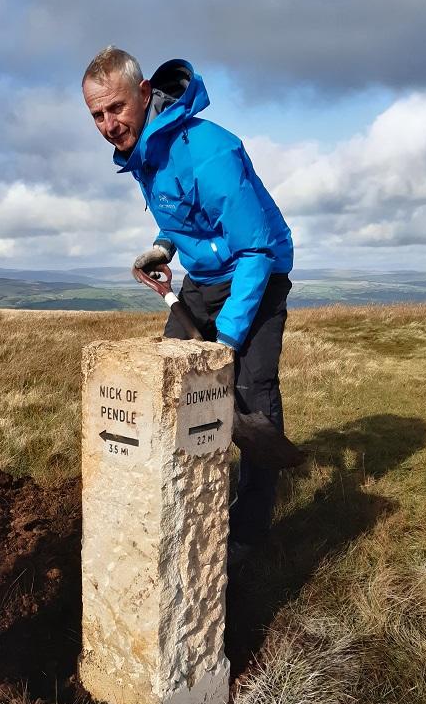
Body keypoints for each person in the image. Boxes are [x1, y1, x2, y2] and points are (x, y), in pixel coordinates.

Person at [82, 46, 293, 561]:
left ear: (145, 94)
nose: (109, 125)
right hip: (203, 276)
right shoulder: (147, 153)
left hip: (256, 276)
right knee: (173, 383)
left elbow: (255, 249)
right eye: (97, 115)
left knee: (249, 391)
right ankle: (182, 502)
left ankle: (248, 531)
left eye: (116, 109)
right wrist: (164, 246)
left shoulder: (212, 151)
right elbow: (185, 213)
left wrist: (226, 342)